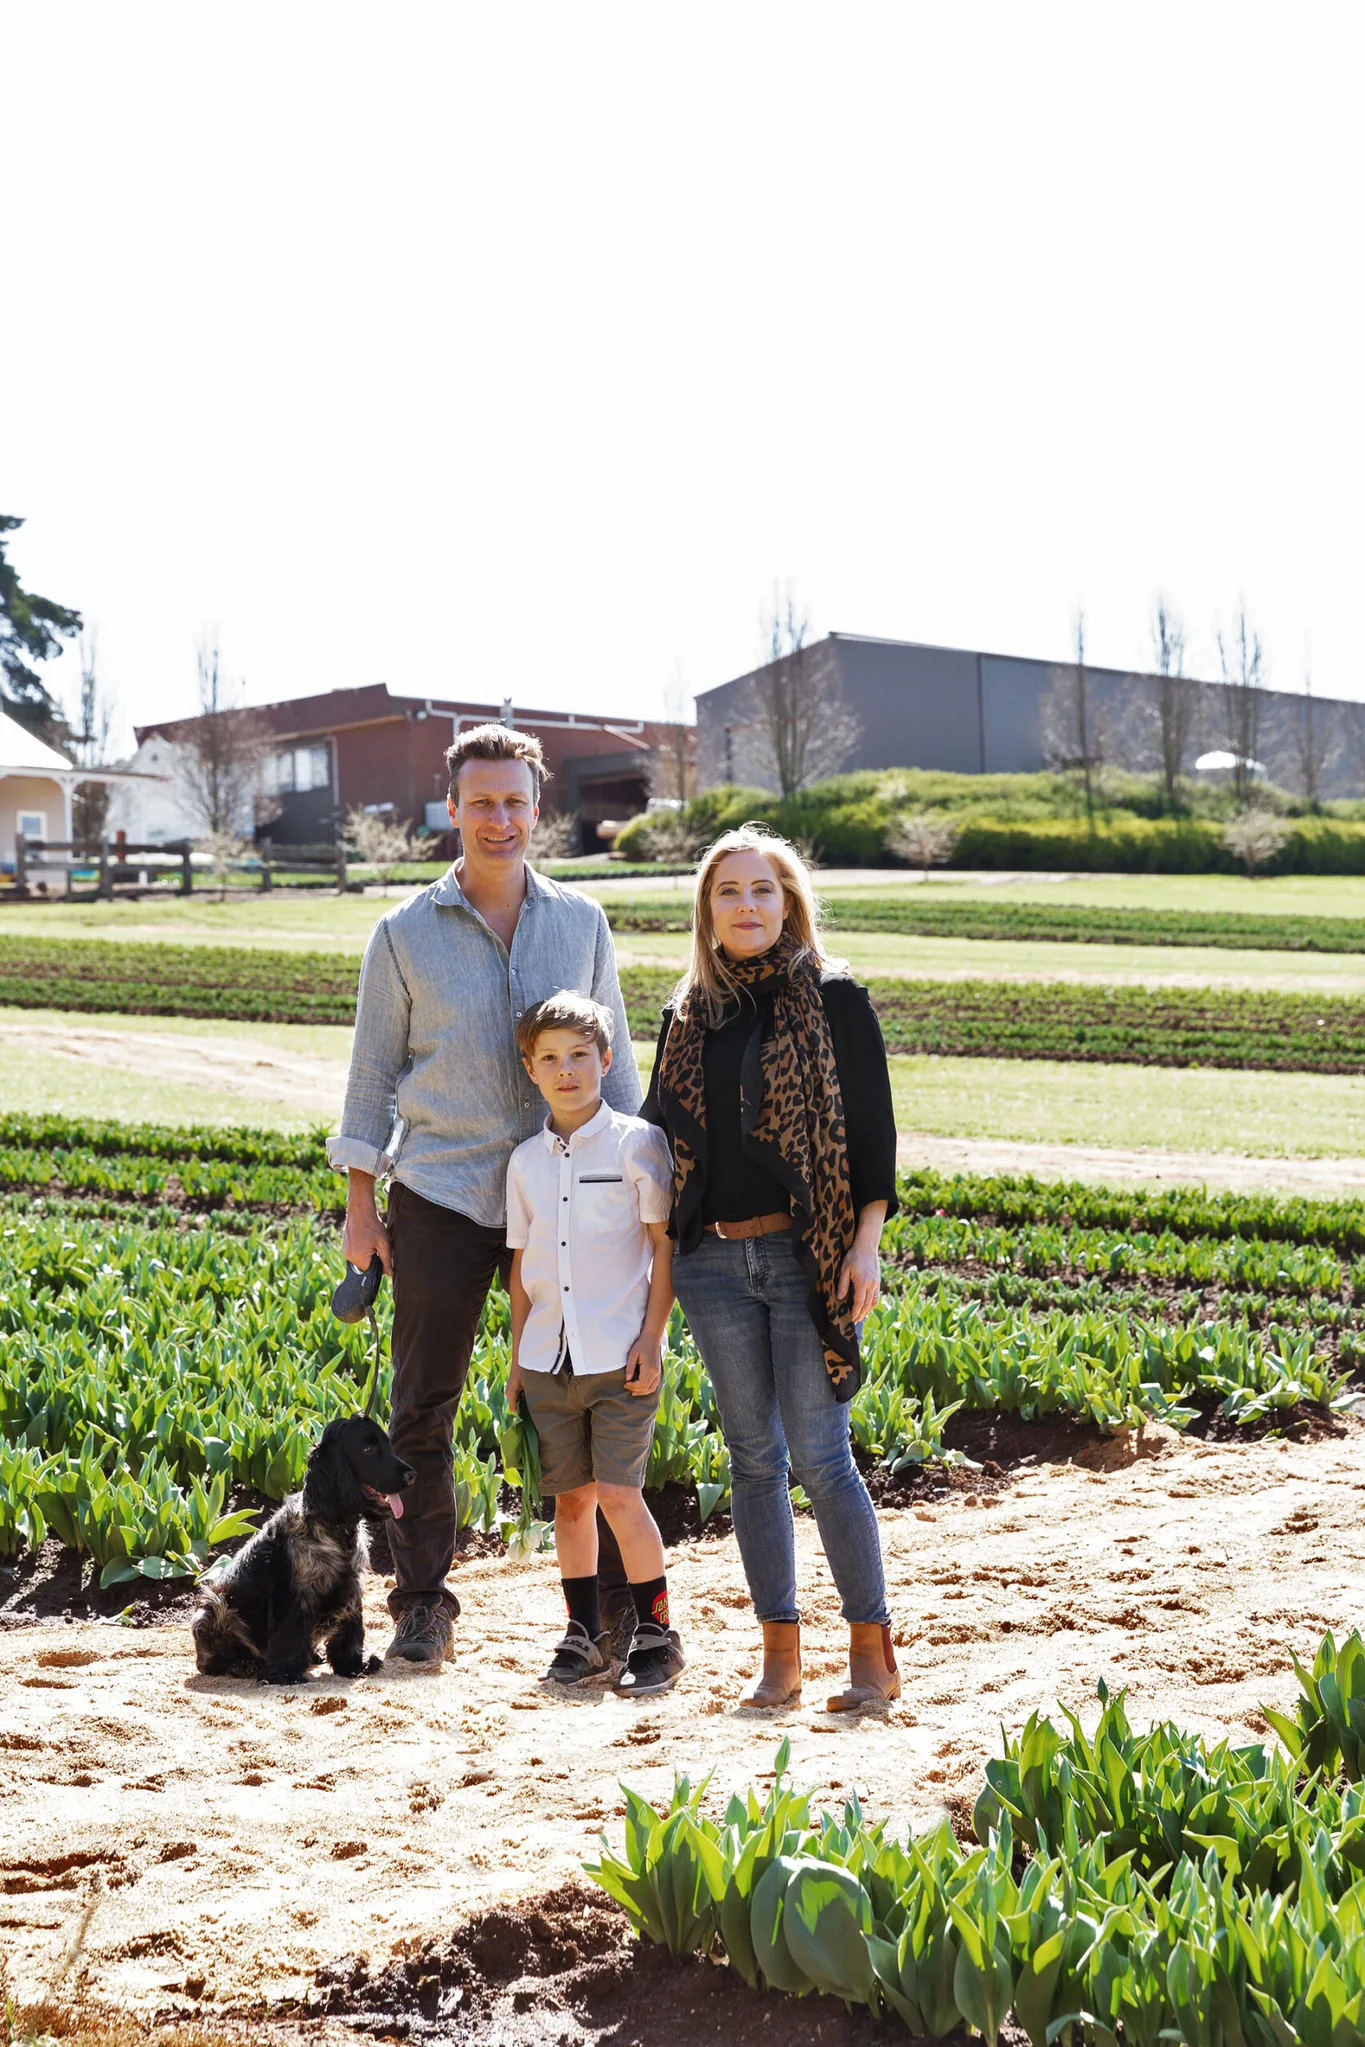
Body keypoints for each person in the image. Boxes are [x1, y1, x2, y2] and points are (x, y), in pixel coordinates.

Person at [328, 724, 640, 1666]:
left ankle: (616, 1610)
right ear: (451, 808)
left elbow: (617, 1069)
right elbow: (371, 1076)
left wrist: (638, 1189)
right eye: (481, 802)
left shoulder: (581, 923)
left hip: (571, 1197)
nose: (498, 818)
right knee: (422, 1407)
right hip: (443, 1194)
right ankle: (423, 1603)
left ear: (536, 808)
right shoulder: (402, 935)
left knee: (591, 1393)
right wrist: (359, 1203)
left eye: (514, 801)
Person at [644, 825, 900, 1712]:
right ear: (706, 912)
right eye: (728, 893)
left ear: (789, 903)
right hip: (711, 1261)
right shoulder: (687, 1014)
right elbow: (659, 1143)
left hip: (806, 1258)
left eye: (762, 891)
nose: (746, 907)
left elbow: (872, 1138)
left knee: (824, 1458)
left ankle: (870, 1651)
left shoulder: (833, 999)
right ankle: (779, 1657)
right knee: (753, 1461)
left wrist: (863, 1243)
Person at [505, 992, 683, 1695]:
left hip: (619, 1355)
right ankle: (583, 1633)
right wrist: (516, 1357)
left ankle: (657, 1633)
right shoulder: (523, 1162)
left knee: (618, 1493)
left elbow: (662, 1251)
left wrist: (652, 1337)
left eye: (580, 1055)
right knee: (571, 1502)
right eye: (550, 1058)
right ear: (530, 1069)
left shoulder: (637, 1143)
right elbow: (521, 1268)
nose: (567, 1069)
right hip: (548, 1358)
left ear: (606, 1059)